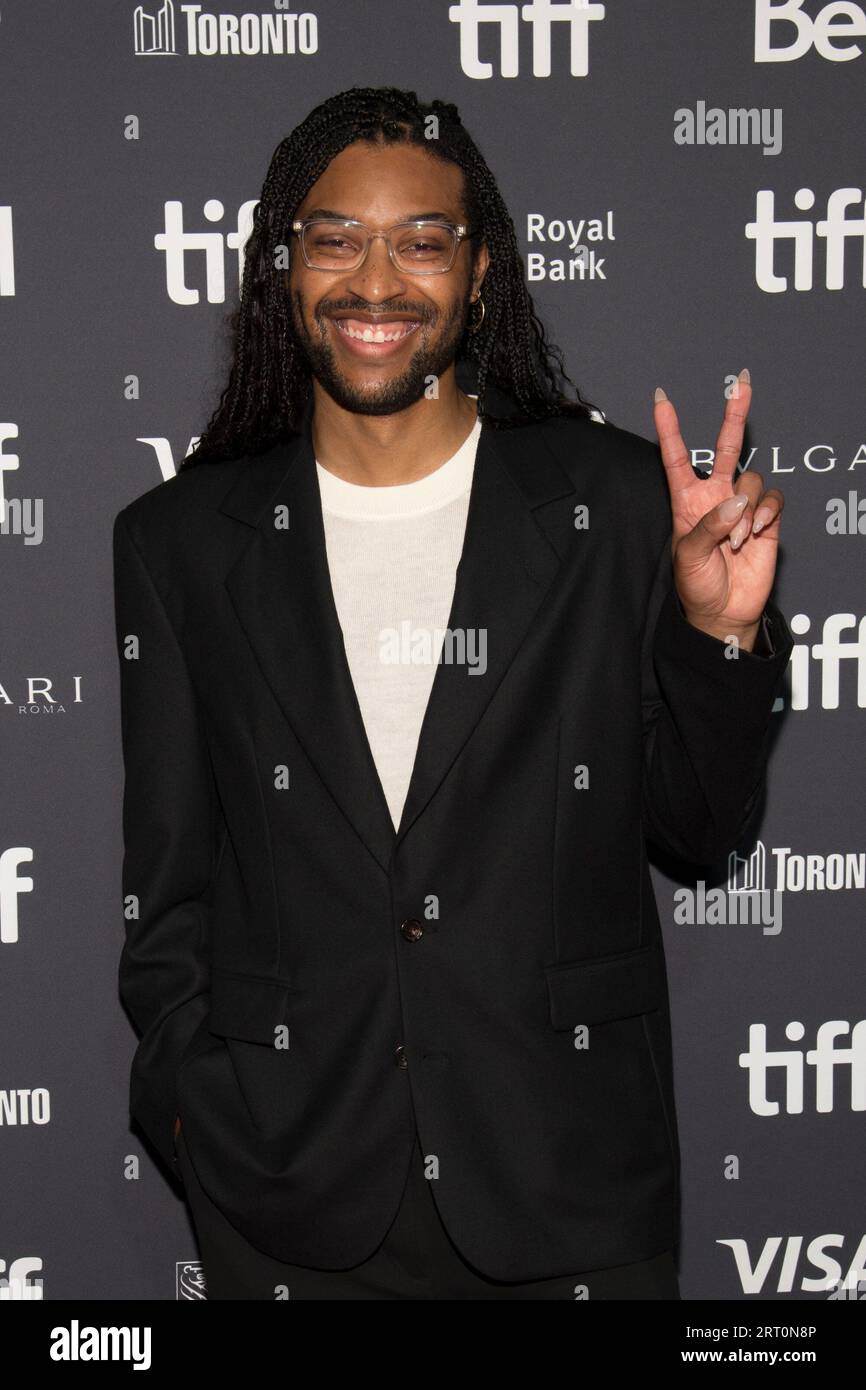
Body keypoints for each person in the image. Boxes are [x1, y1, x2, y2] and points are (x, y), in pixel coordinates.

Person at [113, 87, 793, 1300]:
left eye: (421, 241)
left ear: (478, 273)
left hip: (567, 1194)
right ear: (285, 267)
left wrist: (712, 633)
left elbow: (698, 834)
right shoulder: (178, 544)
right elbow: (168, 890)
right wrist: (191, 1121)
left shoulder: (616, 509)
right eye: (335, 239)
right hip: (288, 1208)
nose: (376, 282)